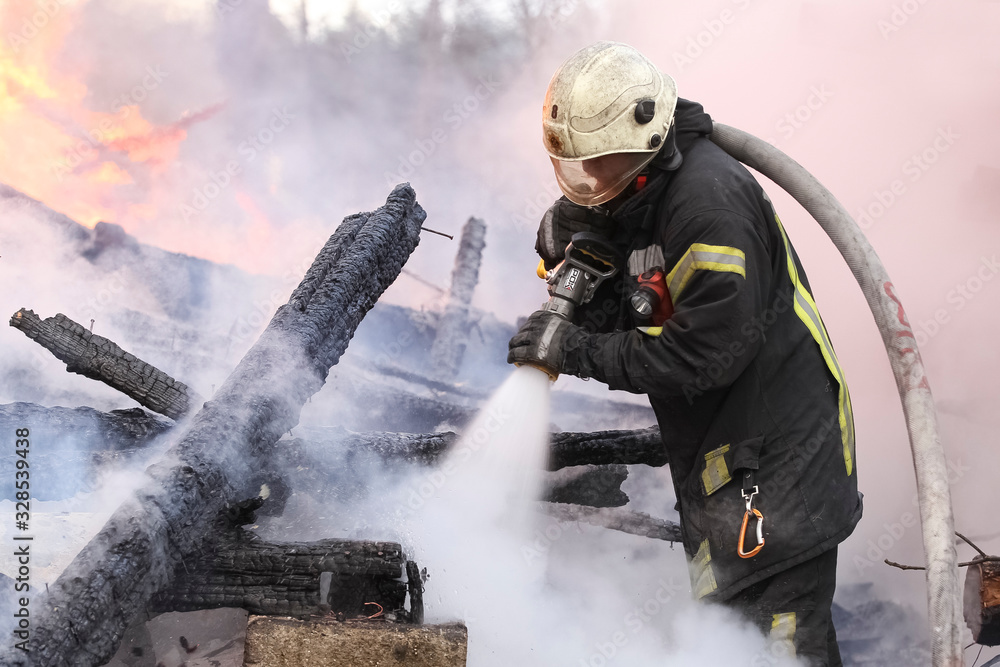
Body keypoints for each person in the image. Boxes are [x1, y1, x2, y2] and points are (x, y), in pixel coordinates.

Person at [508, 41, 862, 666]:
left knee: (773, 648)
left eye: (600, 164)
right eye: (580, 167)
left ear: (645, 141)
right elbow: (644, 306)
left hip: (778, 471)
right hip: (732, 464)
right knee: (746, 639)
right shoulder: (640, 193)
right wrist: (585, 257)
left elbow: (703, 356)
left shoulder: (708, 204)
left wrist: (577, 349)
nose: (590, 181)